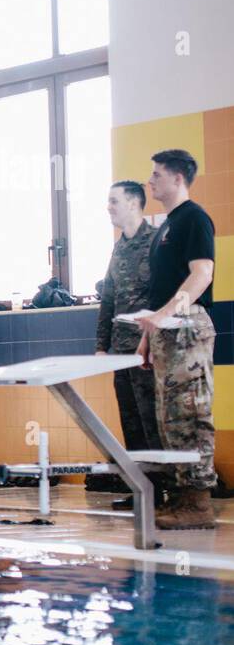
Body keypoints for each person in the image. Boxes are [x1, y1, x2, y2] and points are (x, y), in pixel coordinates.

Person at [136, 149, 217, 529]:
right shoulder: (166, 226)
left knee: (190, 414)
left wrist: (166, 315)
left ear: (177, 179)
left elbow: (201, 275)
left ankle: (199, 503)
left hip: (187, 327)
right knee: (169, 418)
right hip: (167, 332)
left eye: (157, 175)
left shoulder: (194, 218)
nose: (150, 181)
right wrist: (148, 336)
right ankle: (183, 497)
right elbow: (160, 291)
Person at [94, 181, 160, 508]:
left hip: (148, 350)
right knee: (130, 420)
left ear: (134, 203)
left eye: (114, 201)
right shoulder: (118, 247)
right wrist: (101, 345)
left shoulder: (156, 242)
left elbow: (164, 297)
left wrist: (151, 339)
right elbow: (109, 298)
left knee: (152, 420)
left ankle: (163, 490)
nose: (109, 207)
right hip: (120, 352)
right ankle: (141, 490)